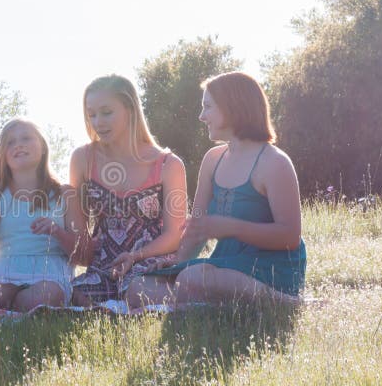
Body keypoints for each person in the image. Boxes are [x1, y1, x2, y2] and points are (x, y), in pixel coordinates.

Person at [137, 71, 306, 308]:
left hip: (268, 269)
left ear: (233, 107)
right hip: (224, 265)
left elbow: (289, 237)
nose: (201, 116)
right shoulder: (213, 159)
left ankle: (286, 303)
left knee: (193, 278)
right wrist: (176, 262)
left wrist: (230, 228)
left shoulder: (274, 163)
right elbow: (196, 229)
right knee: (138, 287)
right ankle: (208, 304)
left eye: (208, 107)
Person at [69, 75, 187, 306]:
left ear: (130, 109)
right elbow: (78, 235)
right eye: (91, 114)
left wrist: (135, 256)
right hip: (104, 267)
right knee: (71, 296)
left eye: (106, 112)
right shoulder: (83, 158)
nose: (98, 122)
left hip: (150, 261)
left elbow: (174, 237)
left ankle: (204, 297)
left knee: (136, 292)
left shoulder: (168, 165)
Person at [0, 118, 87, 311]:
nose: (18, 144)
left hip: (50, 270)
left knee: (39, 300)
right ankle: (11, 308)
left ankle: (13, 308)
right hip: (4, 268)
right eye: (10, 142)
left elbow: (84, 256)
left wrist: (57, 232)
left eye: (26, 138)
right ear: (2, 155)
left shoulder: (65, 193)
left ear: (43, 147)